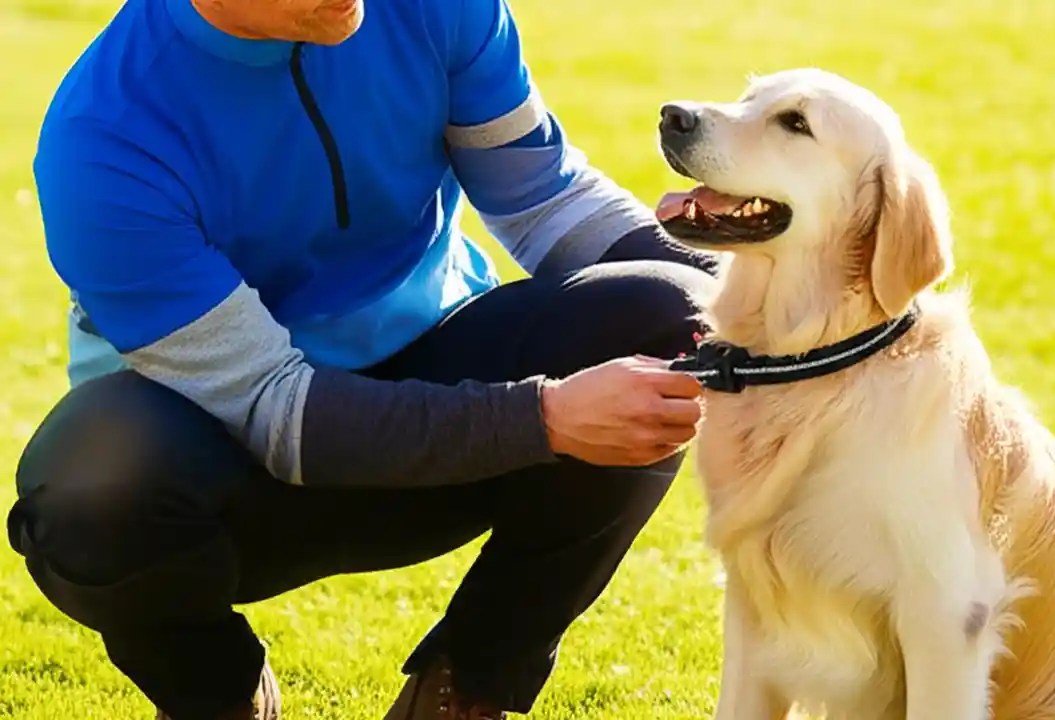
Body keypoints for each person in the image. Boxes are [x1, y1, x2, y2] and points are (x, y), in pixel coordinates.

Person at [4, 0, 717, 717]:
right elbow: (275, 408)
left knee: (674, 313)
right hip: (228, 481)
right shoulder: (104, 138)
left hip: (437, 382)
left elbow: (544, 198)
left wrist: (762, 304)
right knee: (85, 497)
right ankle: (217, 696)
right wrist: (544, 417)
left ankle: (470, 682)